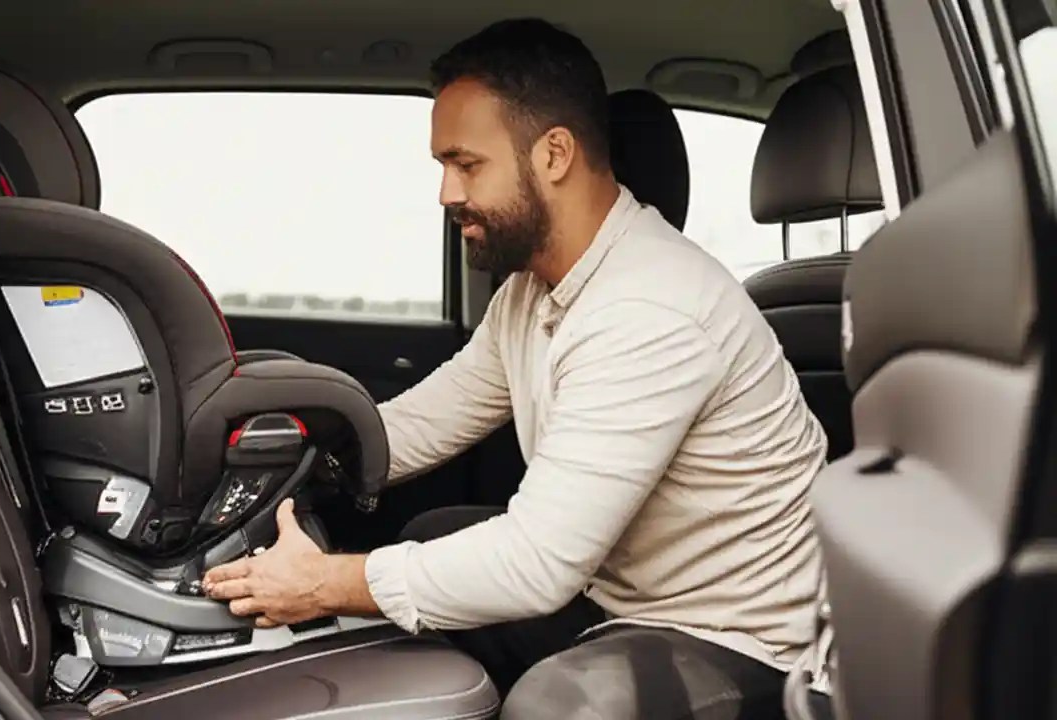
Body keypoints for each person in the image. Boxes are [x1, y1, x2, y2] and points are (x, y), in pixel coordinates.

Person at [203, 17, 829, 718]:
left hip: (742, 641)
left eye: (466, 164)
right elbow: (420, 424)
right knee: (430, 536)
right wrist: (270, 452)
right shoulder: (532, 295)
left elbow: (538, 562)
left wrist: (324, 584)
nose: (445, 193)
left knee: (556, 707)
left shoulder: (653, 306)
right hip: (620, 594)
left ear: (554, 154)